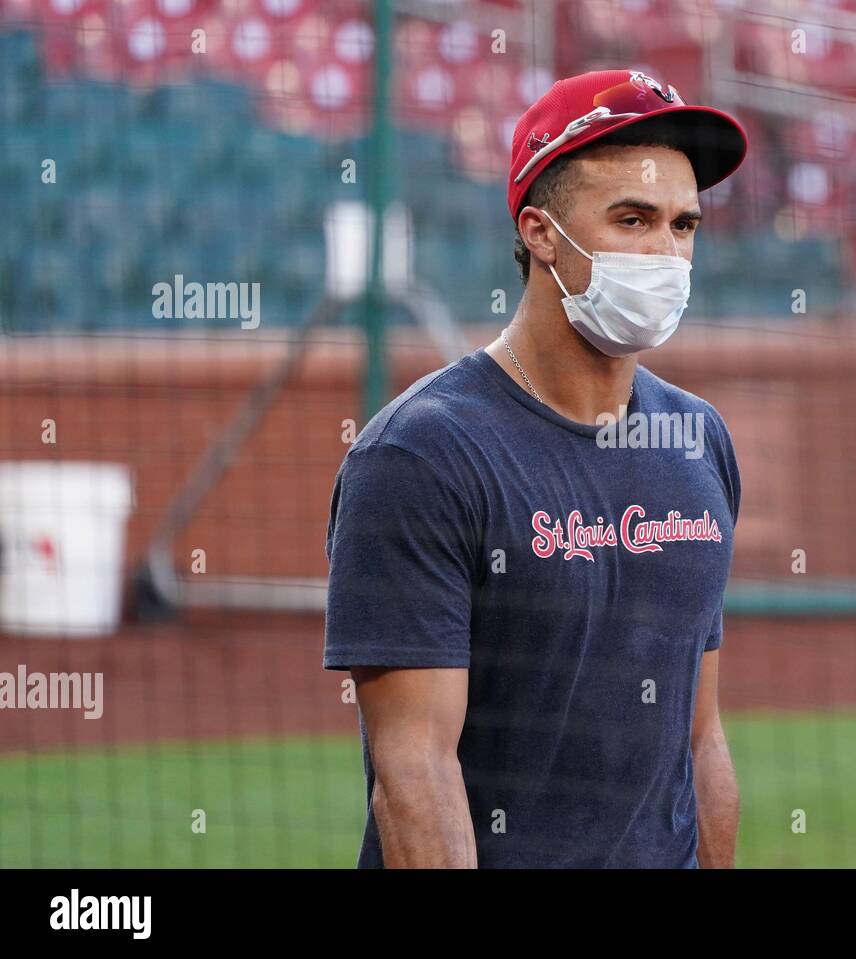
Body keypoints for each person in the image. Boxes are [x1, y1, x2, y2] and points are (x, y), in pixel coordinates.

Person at [323, 68, 749, 868]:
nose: (666, 254)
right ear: (541, 233)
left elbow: (702, 740)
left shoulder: (700, 440)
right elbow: (415, 776)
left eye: (684, 225)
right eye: (633, 219)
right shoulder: (418, 456)